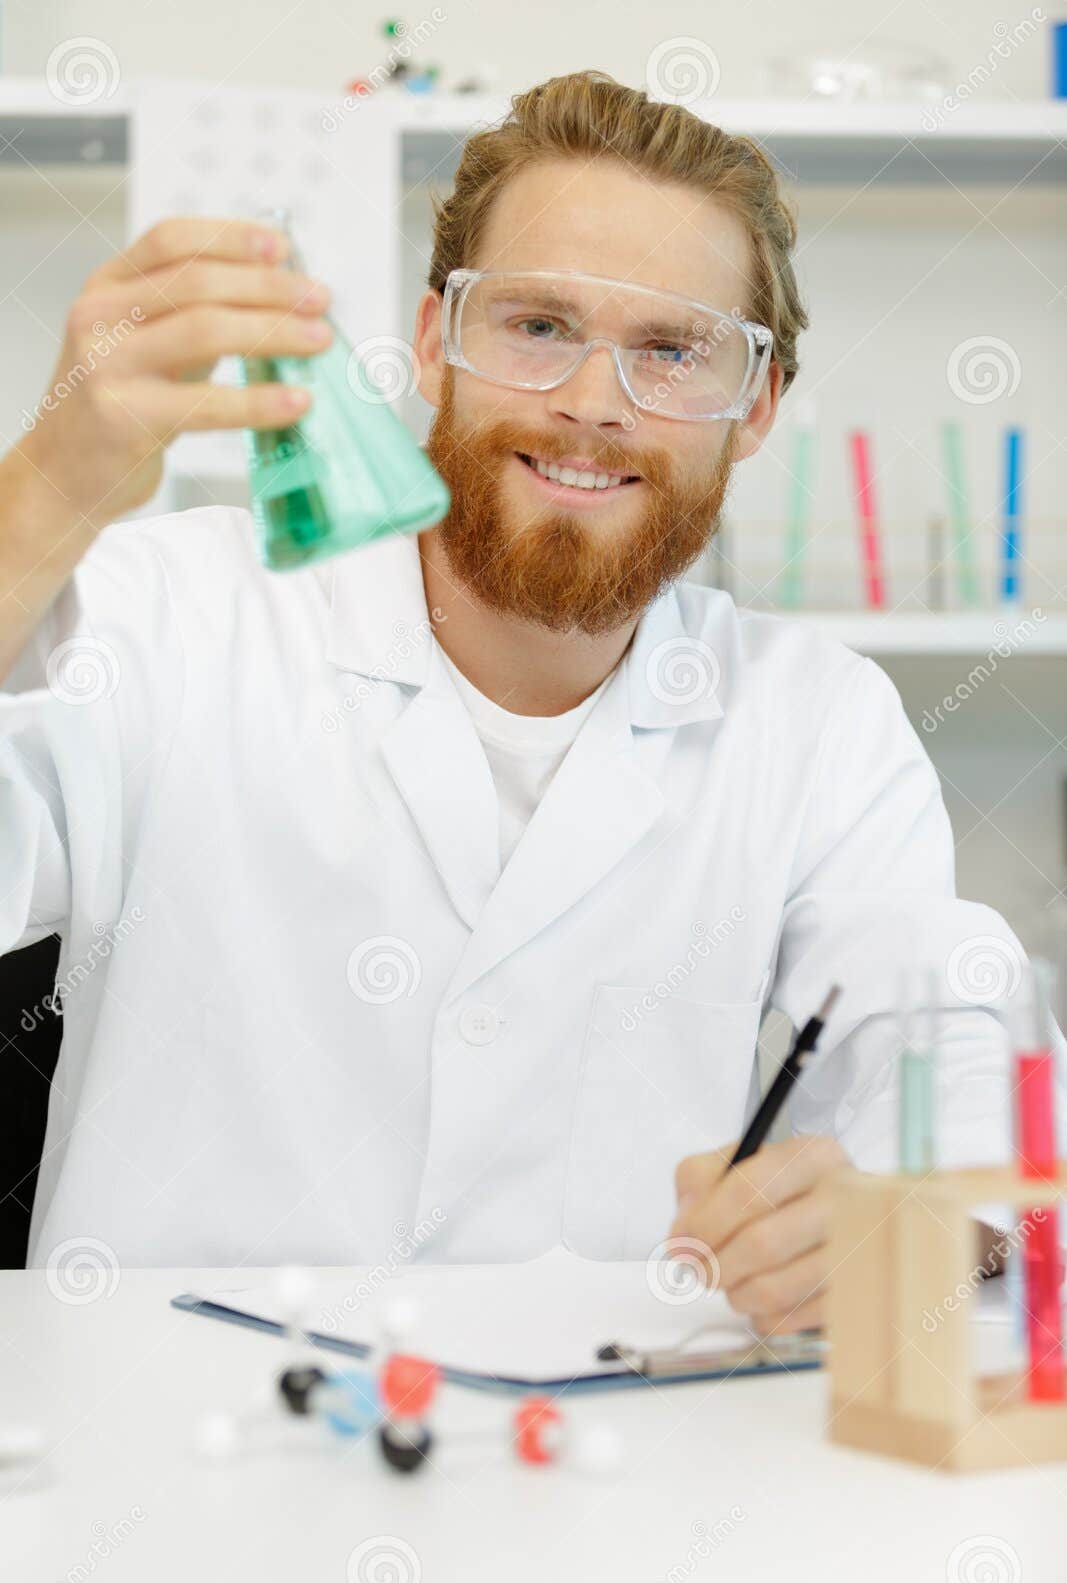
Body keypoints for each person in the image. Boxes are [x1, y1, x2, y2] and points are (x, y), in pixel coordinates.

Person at [0, 72, 1053, 1330]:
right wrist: (41, 497)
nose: (595, 402)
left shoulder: (815, 723)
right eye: (539, 326)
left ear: (753, 406)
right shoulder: (164, 612)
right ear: (436, 341)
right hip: (150, 1455)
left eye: (671, 348)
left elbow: (954, 1057)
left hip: (606, 1478)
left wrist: (916, 1223)